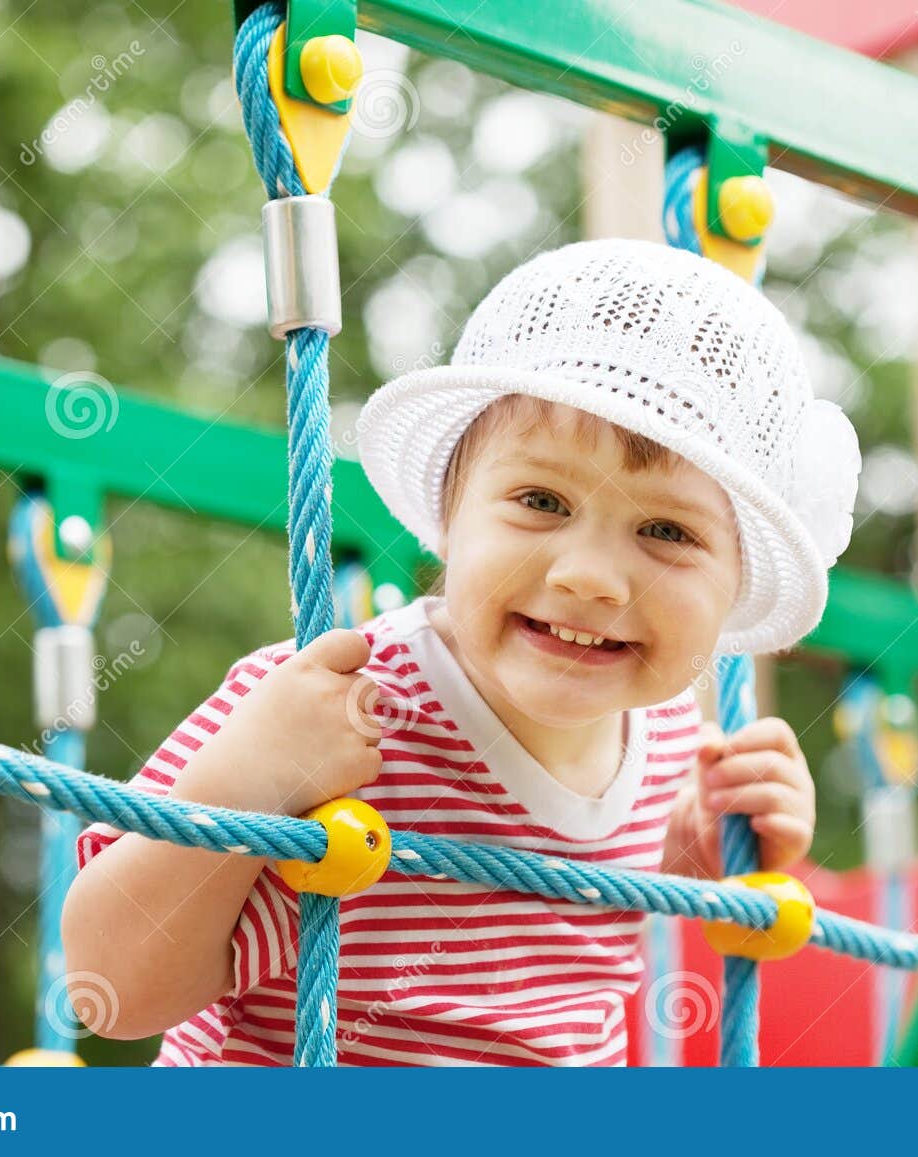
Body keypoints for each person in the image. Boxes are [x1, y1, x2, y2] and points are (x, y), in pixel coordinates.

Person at [61, 238, 862, 1065]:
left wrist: (690, 852)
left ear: (735, 581)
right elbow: (109, 987)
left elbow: (568, 945)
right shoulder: (328, 708)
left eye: (666, 530)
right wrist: (242, 782)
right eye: (542, 500)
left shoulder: (668, 745)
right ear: (450, 515)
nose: (590, 576)